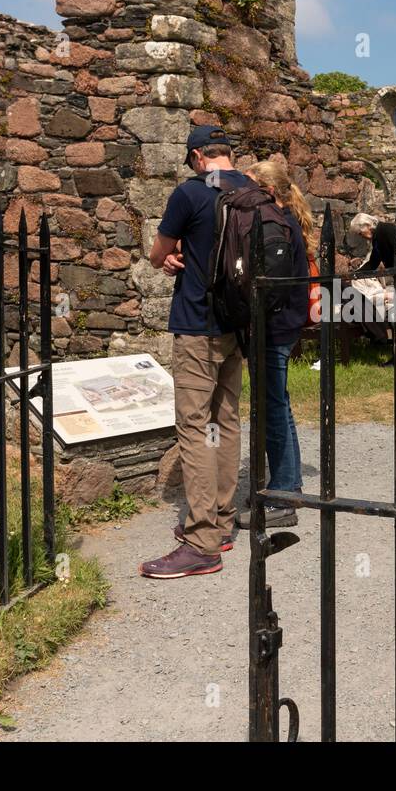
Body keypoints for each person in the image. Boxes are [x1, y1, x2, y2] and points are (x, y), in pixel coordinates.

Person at [139, 126, 245, 580]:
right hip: (238, 326)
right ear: (230, 156)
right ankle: (222, 521)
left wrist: (170, 253)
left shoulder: (190, 193)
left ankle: (202, 540)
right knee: (227, 421)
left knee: (195, 426)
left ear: (198, 156)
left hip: (198, 324)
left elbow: (156, 252)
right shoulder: (255, 191)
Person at [237, 160, 310, 530]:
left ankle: (282, 494)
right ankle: (288, 485)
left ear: (266, 188)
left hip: (275, 325)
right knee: (278, 404)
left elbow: (275, 283)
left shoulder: (275, 223)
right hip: (284, 324)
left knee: (273, 407)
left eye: (249, 184)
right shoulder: (284, 219)